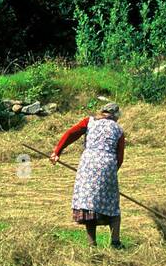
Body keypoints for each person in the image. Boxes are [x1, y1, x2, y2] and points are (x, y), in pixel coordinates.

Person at [51, 103, 126, 248]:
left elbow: (70, 134)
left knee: (88, 204)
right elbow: (120, 156)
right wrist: (109, 173)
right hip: (107, 165)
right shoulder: (118, 130)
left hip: (88, 166)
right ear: (116, 116)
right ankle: (115, 242)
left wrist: (57, 151)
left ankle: (92, 245)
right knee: (112, 204)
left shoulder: (89, 121)